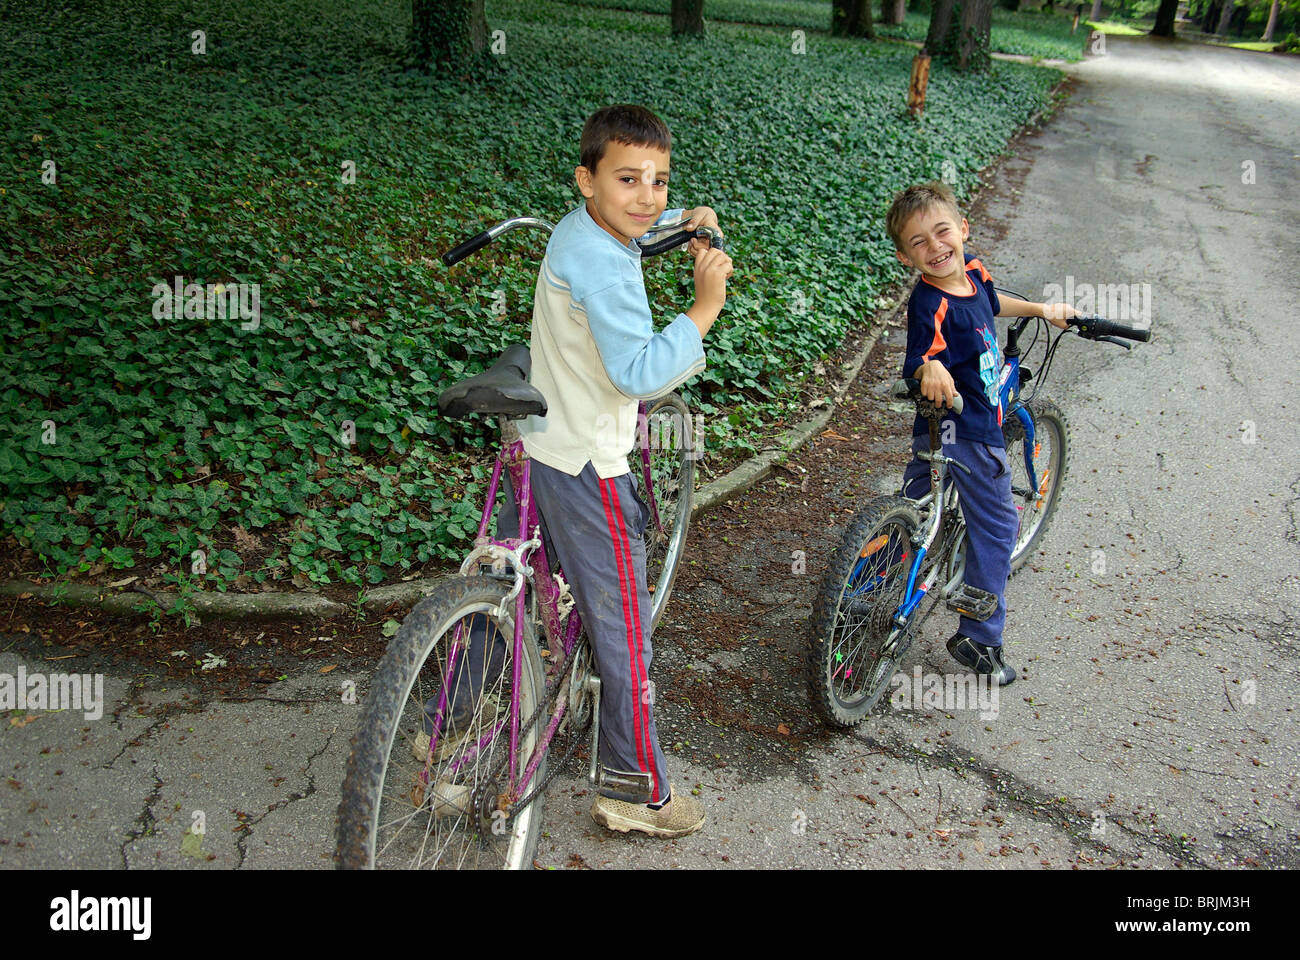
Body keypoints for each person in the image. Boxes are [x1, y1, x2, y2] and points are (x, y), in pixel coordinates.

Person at [420, 103, 732, 839]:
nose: (646, 195)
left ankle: (457, 747)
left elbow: (637, 224)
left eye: (659, 180)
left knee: (504, 591)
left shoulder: (579, 227)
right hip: (591, 463)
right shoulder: (606, 265)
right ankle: (632, 788)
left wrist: (690, 217)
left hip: (538, 445)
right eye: (629, 179)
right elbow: (638, 373)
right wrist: (704, 308)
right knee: (624, 626)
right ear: (586, 179)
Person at [886, 180, 1075, 685]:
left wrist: (1040, 310)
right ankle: (980, 636)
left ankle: (872, 586)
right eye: (919, 243)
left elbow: (992, 302)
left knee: (917, 504)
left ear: (963, 230)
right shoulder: (931, 303)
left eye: (942, 232)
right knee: (999, 528)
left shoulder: (973, 273)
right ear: (906, 258)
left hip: (934, 434)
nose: (935, 247)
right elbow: (921, 357)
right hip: (967, 431)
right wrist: (931, 369)